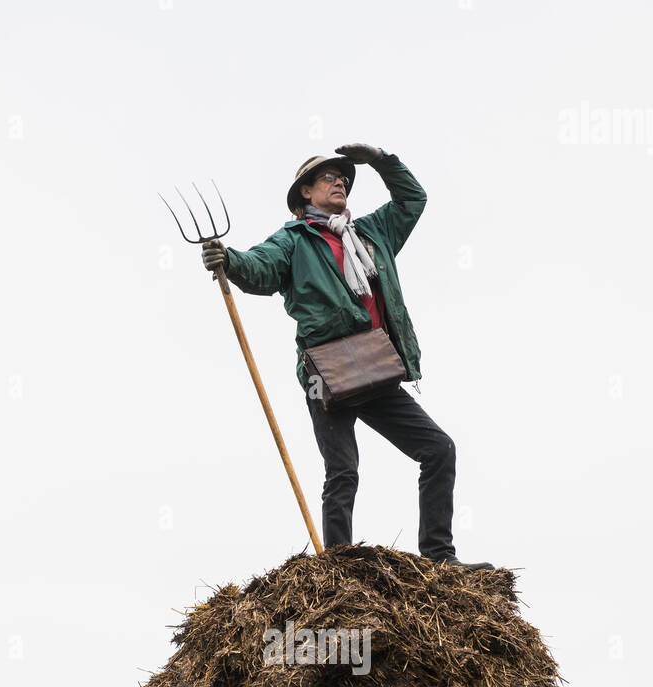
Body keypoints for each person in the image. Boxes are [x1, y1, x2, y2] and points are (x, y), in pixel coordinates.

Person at [201, 142, 492, 570]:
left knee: (439, 450)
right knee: (343, 473)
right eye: (328, 178)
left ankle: (439, 556)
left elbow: (413, 198)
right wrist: (229, 258)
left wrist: (379, 158)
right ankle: (338, 569)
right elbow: (259, 268)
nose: (340, 182)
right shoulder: (294, 241)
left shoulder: (372, 233)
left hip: (374, 365)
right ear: (305, 192)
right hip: (327, 373)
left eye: (344, 179)